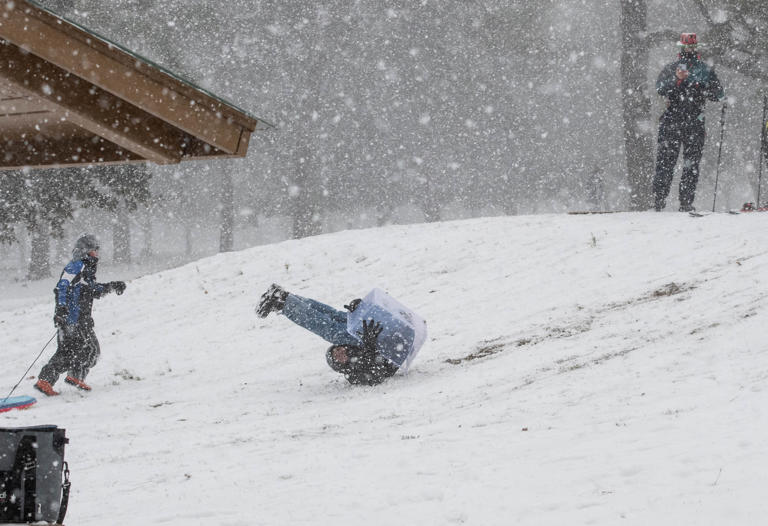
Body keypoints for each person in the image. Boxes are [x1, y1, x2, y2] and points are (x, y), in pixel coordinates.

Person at [34, 234, 127, 396]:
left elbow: (91, 290)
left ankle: (48, 381)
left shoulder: (85, 270)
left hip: (75, 319)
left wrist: (112, 286)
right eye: (94, 250)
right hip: (75, 319)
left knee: (68, 351)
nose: (96, 254)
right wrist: (61, 309)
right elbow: (62, 287)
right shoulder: (76, 266)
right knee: (90, 350)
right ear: (85, 251)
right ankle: (73, 376)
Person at [256, 284, 400, 386]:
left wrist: (359, 313)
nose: (341, 351)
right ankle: (282, 300)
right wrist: (361, 312)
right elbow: (377, 373)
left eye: (337, 350)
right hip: (388, 343)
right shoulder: (356, 372)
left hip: (381, 337)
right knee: (333, 326)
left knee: (334, 319)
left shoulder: (354, 367)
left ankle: (284, 298)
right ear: (343, 365)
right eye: (339, 356)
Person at [653, 32, 725, 212]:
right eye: (686, 47)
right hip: (672, 121)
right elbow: (660, 89)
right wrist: (678, 81)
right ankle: (659, 201)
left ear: (697, 47)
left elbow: (719, 94)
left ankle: (685, 202)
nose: (689, 50)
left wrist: (702, 89)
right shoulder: (671, 68)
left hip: (694, 122)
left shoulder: (704, 69)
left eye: (692, 46)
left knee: (691, 164)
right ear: (680, 48)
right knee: (666, 163)